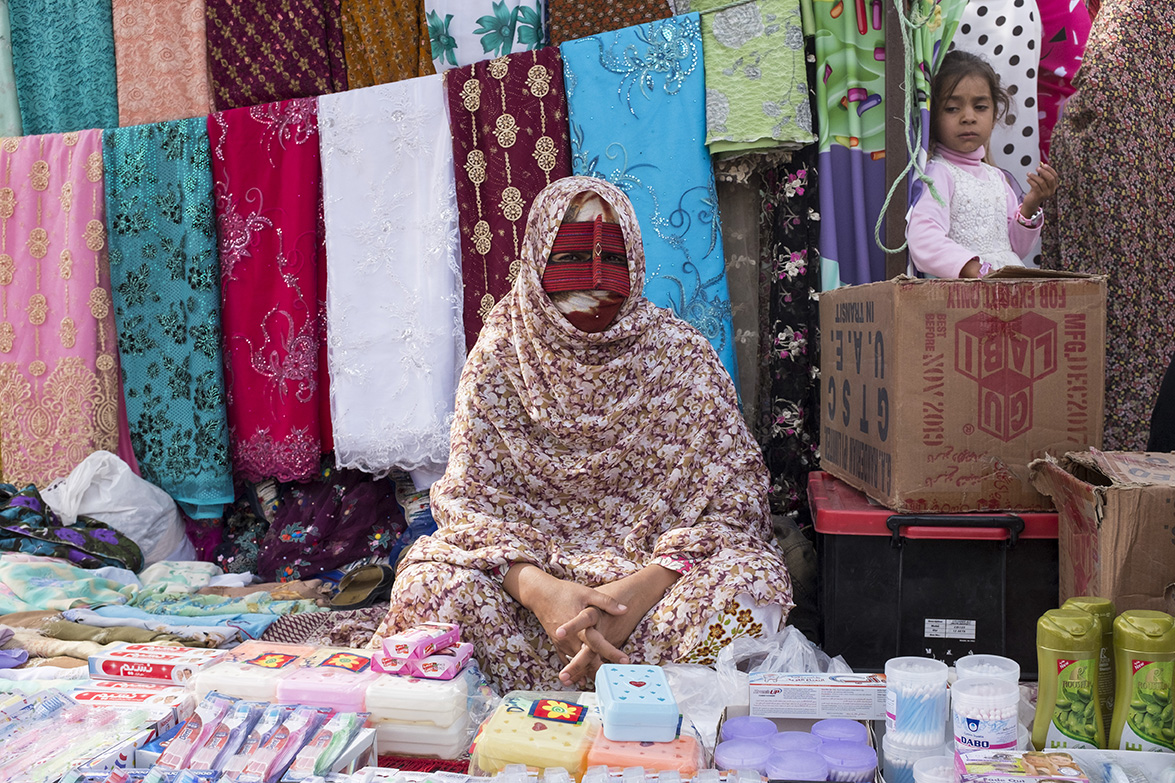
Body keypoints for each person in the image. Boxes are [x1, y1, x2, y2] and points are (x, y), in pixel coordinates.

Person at [369, 176, 793, 692]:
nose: (594, 281)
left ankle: (628, 696)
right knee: (427, 587)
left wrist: (633, 597)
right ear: (536, 259)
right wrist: (542, 593)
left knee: (754, 586)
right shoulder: (503, 352)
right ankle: (546, 698)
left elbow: (733, 505)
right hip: (528, 596)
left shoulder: (679, 354)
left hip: (654, 594)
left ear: (636, 263)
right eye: (570, 258)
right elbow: (469, 507)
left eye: (612, 261)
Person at [906, 50, 1059, 278]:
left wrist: (1030, 205)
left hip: (1003, 289)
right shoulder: (938, 173)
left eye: (980, 107)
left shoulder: (997, 177)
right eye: (952, 108)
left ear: (995, 114)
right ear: (933, 116)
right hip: (965, 298)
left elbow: (1015, 249)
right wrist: (974, 270)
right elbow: (923, 238)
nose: (968, 117)